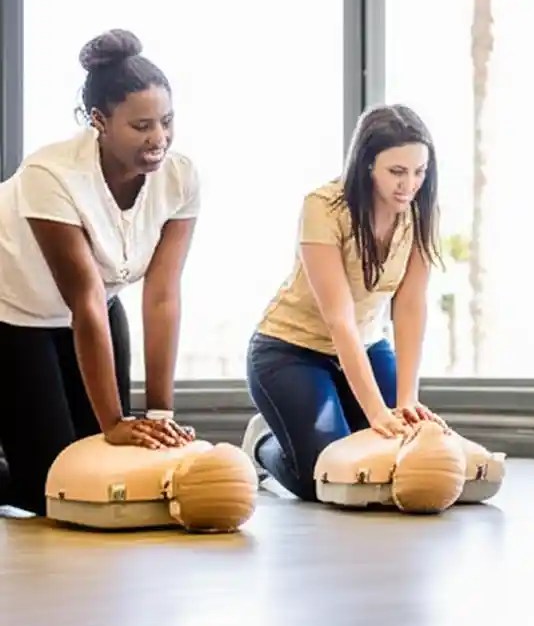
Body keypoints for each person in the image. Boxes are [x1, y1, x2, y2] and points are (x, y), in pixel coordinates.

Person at [0, 29, 198, 515]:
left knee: (95, 474)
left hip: (96, 313)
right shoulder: (50, 175)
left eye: (167, 122)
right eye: (142, 125)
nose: (159, 139)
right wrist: (113, 421)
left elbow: (162, 296)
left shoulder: (180, 177)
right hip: (12, 311)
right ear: (100, 121)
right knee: (48, 489)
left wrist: (158, 415)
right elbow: (82, 297)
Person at [240, 104, 446, 502]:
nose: (410, 185)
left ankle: (334, 422)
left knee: (396, 450)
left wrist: (405, 401)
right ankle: (263, 444)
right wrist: (375, 413)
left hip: (366, 347)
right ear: (368, 164)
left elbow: (410, 308)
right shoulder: (324, 206)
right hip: (290, 351)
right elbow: (340, 320)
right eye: (397, 172)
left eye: (419, 172)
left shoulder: (421, 211)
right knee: (325, 477)